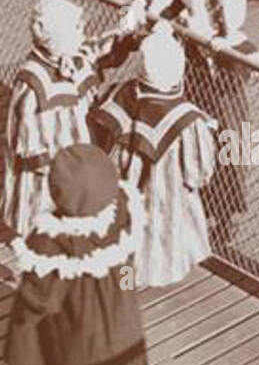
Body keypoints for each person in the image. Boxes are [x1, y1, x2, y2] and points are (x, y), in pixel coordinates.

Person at [4, 143, 152, 365]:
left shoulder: (52, 240)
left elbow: (41, 300)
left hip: (82, 330)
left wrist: (24, 319)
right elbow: (129, 267)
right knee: (118, 334)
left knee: (39, 327)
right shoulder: (123, 209)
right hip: (120, 313)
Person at [2, 0, 147, 237]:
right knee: (47, 213)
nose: (82, 36)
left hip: (80, 154)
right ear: (55, 38)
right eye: (76, 31)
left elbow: (100, 47)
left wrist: (130, 26)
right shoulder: (33, 85)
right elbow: (31, 146)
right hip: (52, 165)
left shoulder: (73, 54)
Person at [90, 24, 219, 288]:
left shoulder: (121, 92)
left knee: (123, 233)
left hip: (120, 186)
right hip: (164, 196)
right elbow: (198, 172)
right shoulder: (187, 119)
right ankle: (144, 276)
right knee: (158, 236)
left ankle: (123, 279)